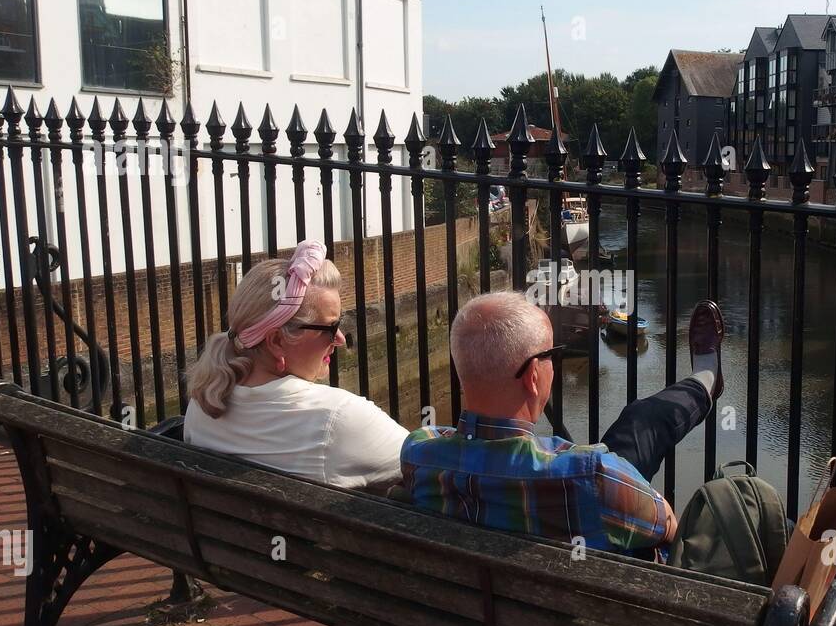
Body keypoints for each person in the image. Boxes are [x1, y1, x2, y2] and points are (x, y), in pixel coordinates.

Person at [400, 291, 724, 561]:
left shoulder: (418, 453)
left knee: (638, 422)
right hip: (595, 622)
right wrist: (604, 470)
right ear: (532, 377)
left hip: (476, 624)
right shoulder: (595, 476)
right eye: (552, 356)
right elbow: (667, 527)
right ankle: (704, 382)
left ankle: (702, 384)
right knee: (639, 431)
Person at [185, 239, 409, 491]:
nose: (340, 338)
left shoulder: (202, 403)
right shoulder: (338, 418)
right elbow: (439, 467)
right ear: (277, 341)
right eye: (331, 327)